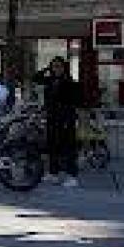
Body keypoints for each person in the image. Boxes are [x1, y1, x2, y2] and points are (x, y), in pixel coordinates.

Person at [34, 57, 84, 188]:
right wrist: (46, 68)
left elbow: (74, 102)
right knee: (52, 146)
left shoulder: (69, 82)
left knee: (68, 148)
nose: (56, 69)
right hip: (52, 118)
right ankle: (53, 173)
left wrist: (71, 119)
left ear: (64, 68)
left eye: (59, 66)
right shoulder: (50, 80)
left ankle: (72, 176)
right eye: (54, 66)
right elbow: (36, 78)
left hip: (66, 119)